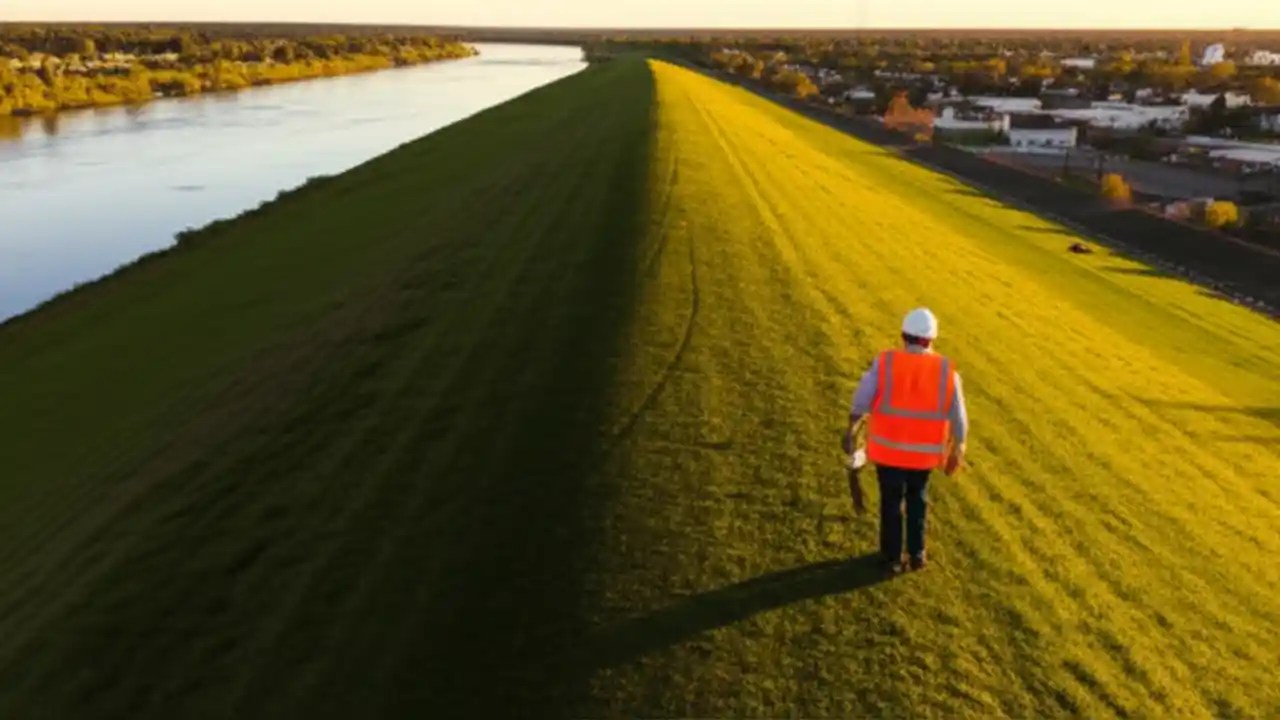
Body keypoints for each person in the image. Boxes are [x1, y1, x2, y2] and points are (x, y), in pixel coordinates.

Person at [841, 308, 968, 575]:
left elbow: (863, 397)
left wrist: (852, 425)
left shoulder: (885, 363)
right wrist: (959, 446)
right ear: (932, 339)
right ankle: (917, 553)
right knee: (917, 500)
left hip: (888, 452)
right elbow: (959, 416)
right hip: (922, 457)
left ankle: (891, 557)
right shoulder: (946, 371)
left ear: (903, 336)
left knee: (891, 503)